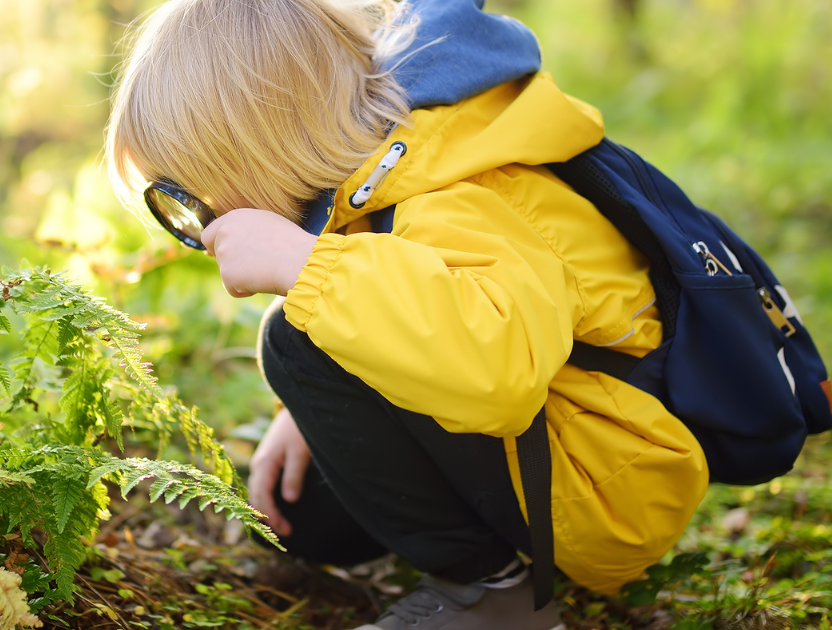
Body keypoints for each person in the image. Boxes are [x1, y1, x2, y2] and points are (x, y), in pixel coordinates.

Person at [105, 1, 709, 628]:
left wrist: (307, 272)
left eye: (190, 199)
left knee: (293, 339)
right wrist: (313, 412)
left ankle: (492, 597)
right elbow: (410, 309)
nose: (197, 230)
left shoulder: (454, 190)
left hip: (607, 481)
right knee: (299, 514)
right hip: (556, 448)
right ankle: (457, 555)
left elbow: (498, 373)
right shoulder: (382, 177)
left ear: (259, 149)